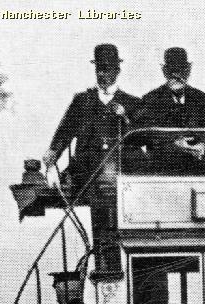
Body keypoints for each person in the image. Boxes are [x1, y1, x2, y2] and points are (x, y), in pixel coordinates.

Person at [43, 43, 141, 193]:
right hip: (86, 172)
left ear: (117, 70)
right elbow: (64, 133)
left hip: (122, 172)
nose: (102, 74)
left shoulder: (132, 103)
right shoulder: (81, 101)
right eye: (99, 69)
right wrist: (51, 162)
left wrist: (125, 117)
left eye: (106, 69)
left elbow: (141, 138)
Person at [136, 47, 205, 175]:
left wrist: (202, 144)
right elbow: (148, 137)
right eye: (171, 71)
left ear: (189, 70)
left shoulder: (201, 98)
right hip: (164, 167)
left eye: (181, 71)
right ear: (164, 71)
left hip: (197, 165)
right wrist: (175, 144)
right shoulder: (151, 99)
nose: (176, 75)